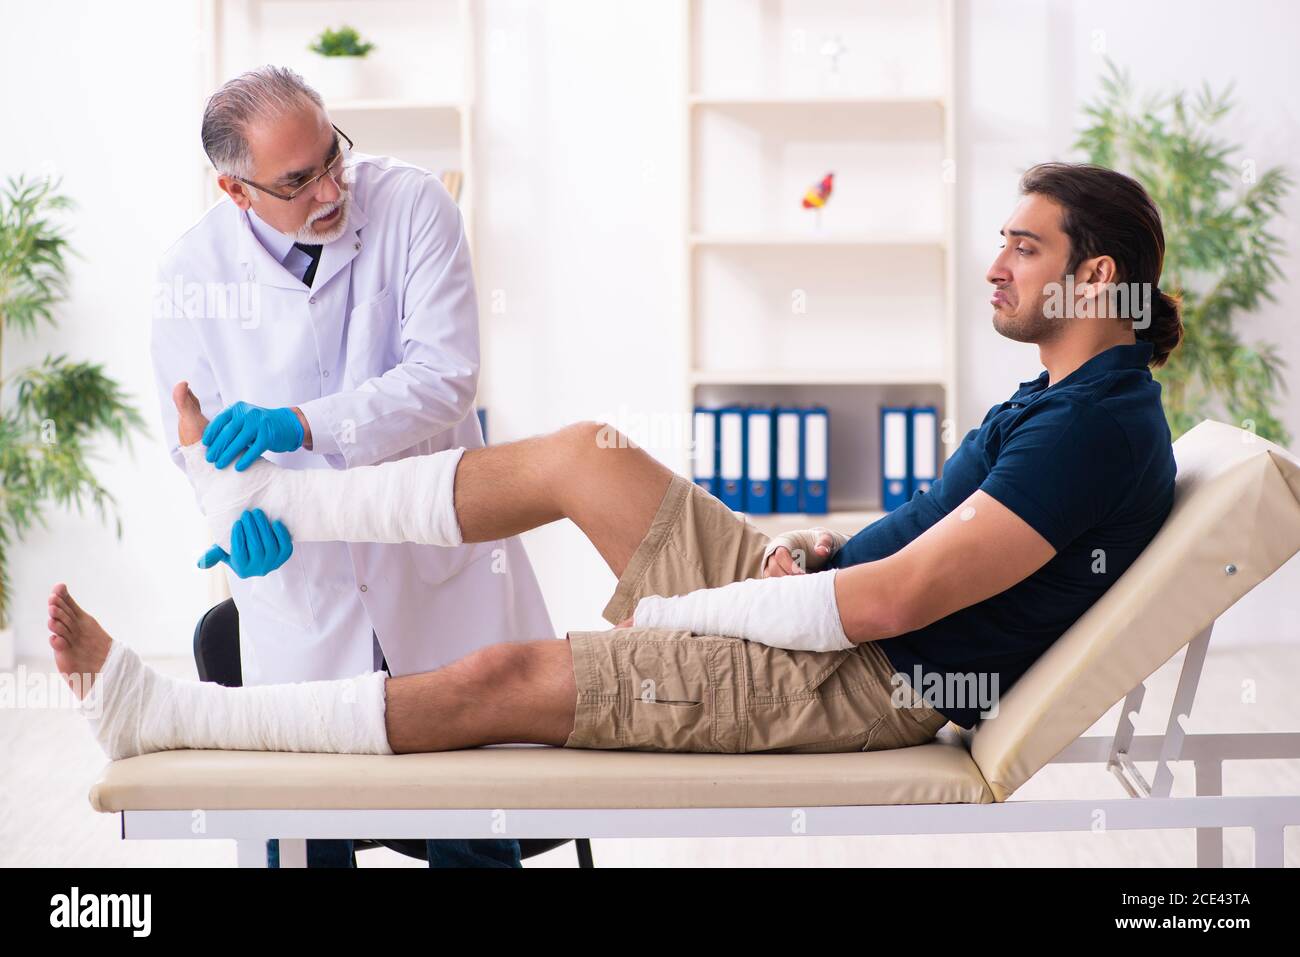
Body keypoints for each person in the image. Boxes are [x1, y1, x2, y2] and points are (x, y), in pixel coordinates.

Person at [60, 162, 1182, 764]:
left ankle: (163, 715)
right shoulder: (1066, 396)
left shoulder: (1094, 426)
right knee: (580, 456)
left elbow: (902, 600)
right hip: (814, 596)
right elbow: (908, 548)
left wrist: (724, 609)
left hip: (855, 676)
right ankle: (279, 504)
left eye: (1022, 249)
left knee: (508, 677)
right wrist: (807, 553)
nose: (994, 267)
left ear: (1096, 282)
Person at [149, 65, 551, 867]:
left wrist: (300, 424)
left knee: (472, 830)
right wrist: (236, 520)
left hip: (435, 572)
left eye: (334, 156)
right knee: (302, 833)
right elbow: (192, 445)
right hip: (305, 590)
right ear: (236, 191)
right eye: (299, 181)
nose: (332, 189)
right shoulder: (190, 275)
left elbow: (443, 378)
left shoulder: (412, 207)